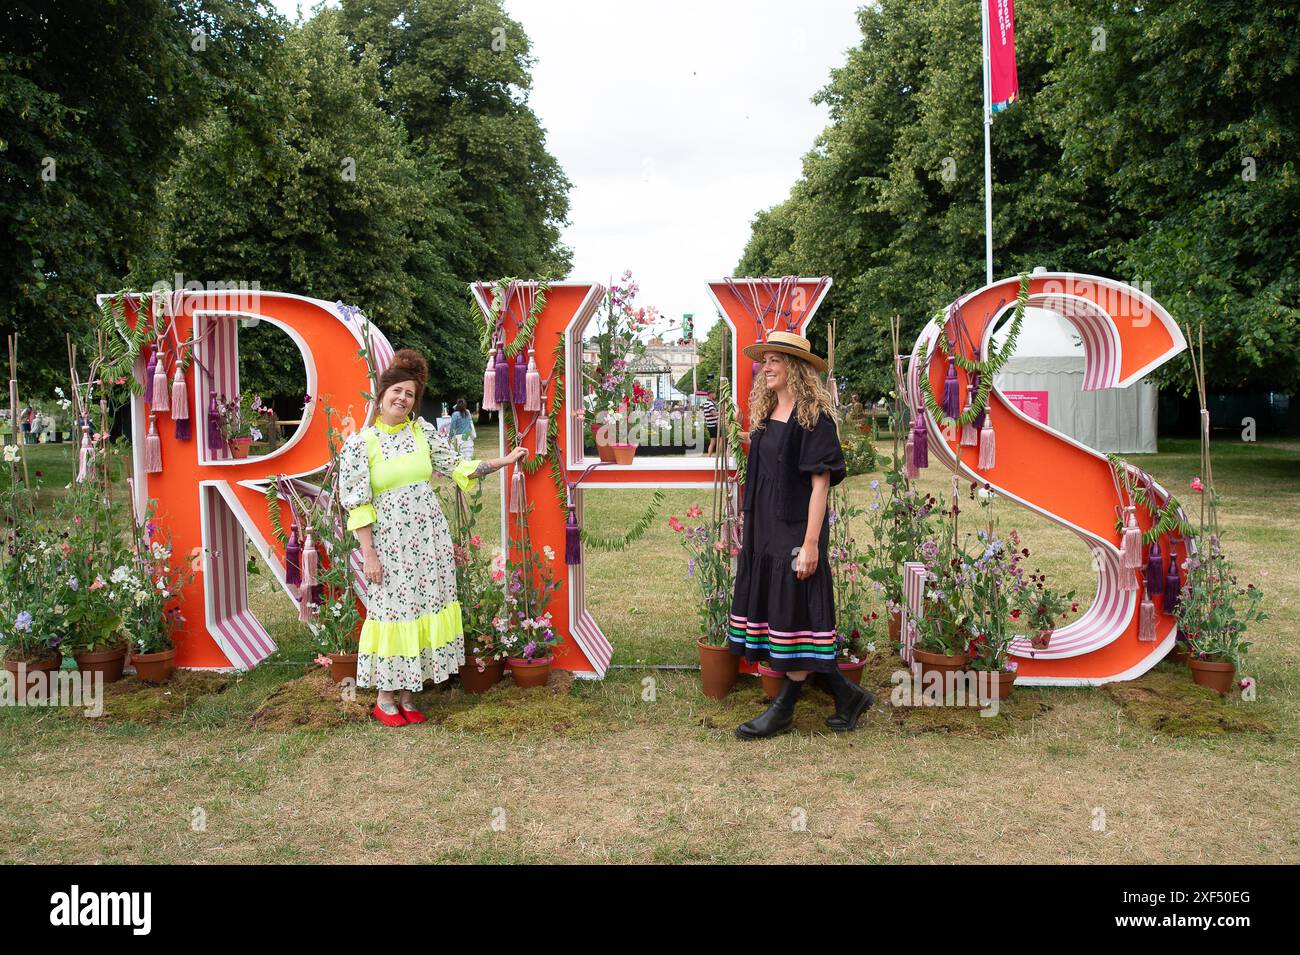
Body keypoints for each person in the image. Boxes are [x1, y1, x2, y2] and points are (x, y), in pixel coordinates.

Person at [340, 350, 527, 726]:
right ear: (382, 394)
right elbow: (357, 504)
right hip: (390, 545)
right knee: (393, 613)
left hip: (429, 541)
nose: (402, 399)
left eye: (410, 394)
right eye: (397, 391)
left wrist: (502, 462)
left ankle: (409, 695)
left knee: (424, 610)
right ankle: (384, 698)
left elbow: (458, 468)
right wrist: (369, 553)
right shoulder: (363, 443)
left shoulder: (423, 433)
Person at [728, 331, 873, 739]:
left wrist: (810, 544)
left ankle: (783, 711)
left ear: (796, 368)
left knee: (794, 614)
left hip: (796, 531)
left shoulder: (815, 419)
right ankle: (847, 697)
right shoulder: (766, 411)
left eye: (776, 360)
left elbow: (820, 486)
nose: (766, 367)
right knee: (787, 617)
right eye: (765, 360)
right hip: (765, 531)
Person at [699, 391, 720, 455]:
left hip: (710, 425)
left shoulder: (706, 403)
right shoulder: (710, 403)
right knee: (721, 440)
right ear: (710, 395)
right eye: (714, 394)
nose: (715, 395)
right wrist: (721, 413)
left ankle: (709, 456)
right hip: (714, 425)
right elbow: (713, 413)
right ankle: (718, 455)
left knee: (713, 441)